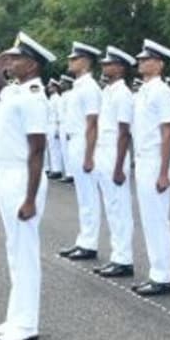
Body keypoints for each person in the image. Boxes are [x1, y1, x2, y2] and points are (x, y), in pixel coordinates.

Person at [0, 32, 52, 340]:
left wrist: (31, 198)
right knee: (14, 248)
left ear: (33, 64)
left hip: (24, 176)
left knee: (25, 251)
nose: (13, 62)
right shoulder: (16, 92)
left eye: (18, 58)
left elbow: (38, 149)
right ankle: (15, 317)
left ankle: (26, 324)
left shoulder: (35, 96)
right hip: (6, 173)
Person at [130, 39, 170, 297]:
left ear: (158, 64)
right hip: (143, 159)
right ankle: (156, 272)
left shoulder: (161, 92)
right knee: (149, 220)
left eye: (146, 59)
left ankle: (162, 276)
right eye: (140, 59)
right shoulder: (144, 91)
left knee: (158, 220)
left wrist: (164, 171)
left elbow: (167, 132)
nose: (141, 62)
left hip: (155, 161)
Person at [91, 46, 136, 279]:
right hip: (104, 151)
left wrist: (119, 167)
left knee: (120, 208)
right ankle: (117, 255)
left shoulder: (122, 94)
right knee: (111, 206)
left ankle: (124, 259)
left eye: (109, 64)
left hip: (114, 154)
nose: (104, 67)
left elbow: (124, 132)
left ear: (119, 68)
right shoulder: (108, 91)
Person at [58, 44, 105, 261]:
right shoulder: (79, 86)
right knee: (82, 196)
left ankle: (89, 243)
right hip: (74, 141)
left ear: (86, 61)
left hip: (83, 143)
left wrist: (89, 155)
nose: (70, 61)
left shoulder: (89, 87)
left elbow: (92, 123)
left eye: (74, 58)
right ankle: (83, 239)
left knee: (89, 196)